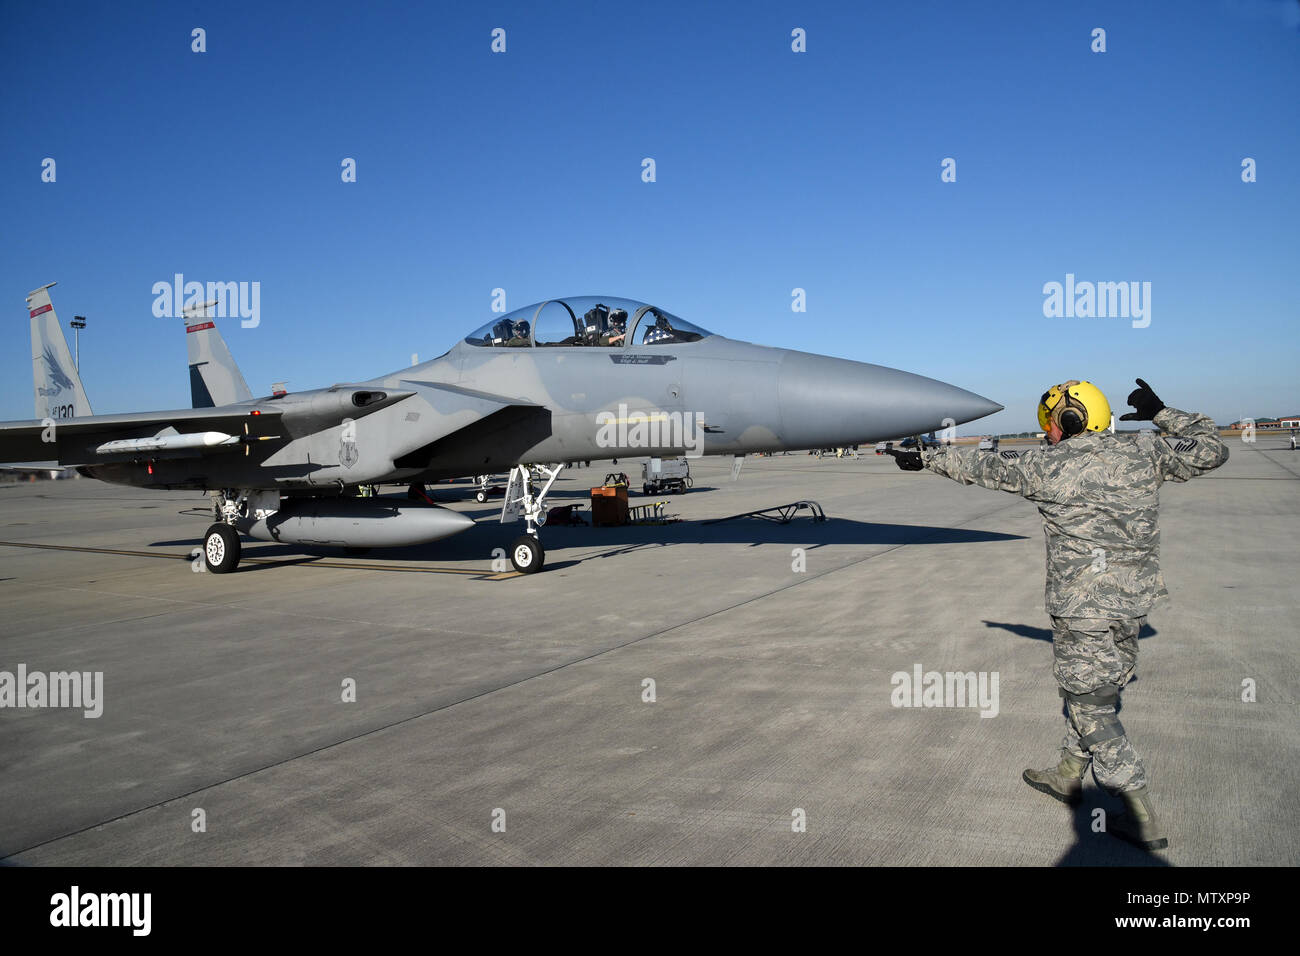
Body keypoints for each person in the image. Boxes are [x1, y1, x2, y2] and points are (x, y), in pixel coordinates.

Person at [888, 379, 1228, 850]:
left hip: (1082, 608)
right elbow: (1211, 449)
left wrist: (924, 457)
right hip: (1132, 604)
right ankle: (1068, 773)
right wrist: (1163, 411)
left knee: (1088, 702)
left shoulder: (1045, 465)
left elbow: (979, 465)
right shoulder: (1145, 454)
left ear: (1067, 421)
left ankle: (1140, 813)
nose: (1047, 431)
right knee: (1095, 690)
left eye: (1050, 422)